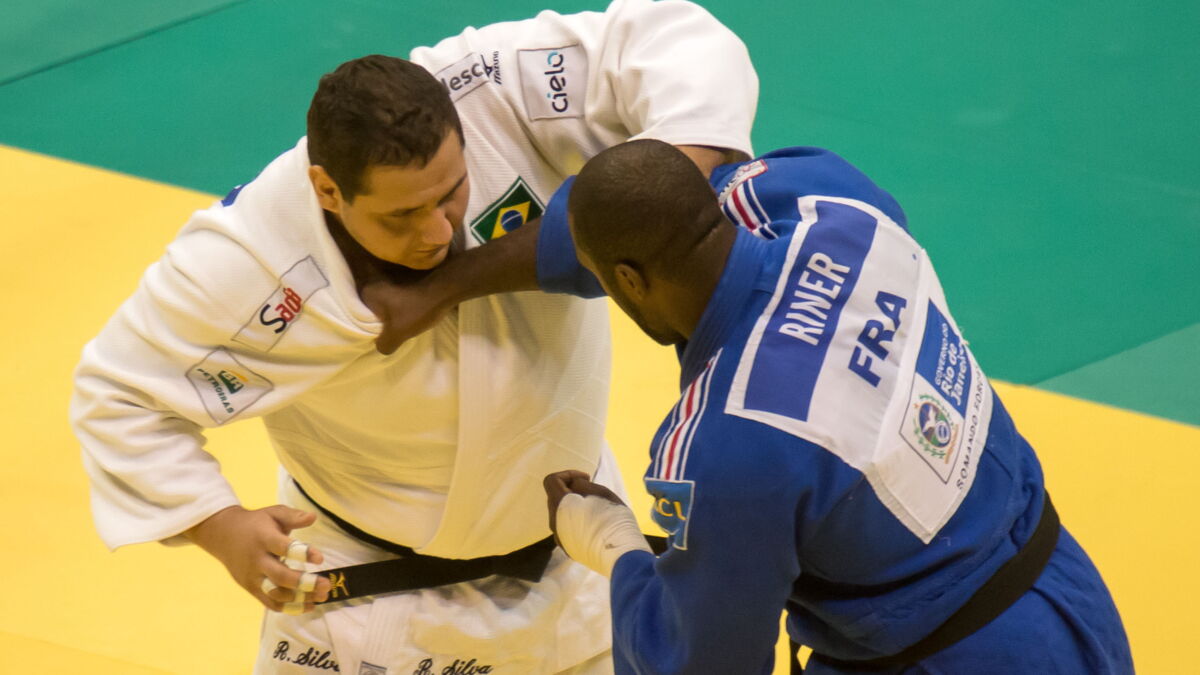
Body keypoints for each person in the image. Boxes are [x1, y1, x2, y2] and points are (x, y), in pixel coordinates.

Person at [69, 1, 757, 672]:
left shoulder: (494, 91)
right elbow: (117, 392)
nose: (437, 231)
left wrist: (661, 198)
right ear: (328, 190)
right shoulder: (247, 258)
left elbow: (679, 37)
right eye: (402, 214)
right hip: (362, 592)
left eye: (452, 192)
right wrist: (217, 525)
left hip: (575, 553)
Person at [541, 140, 1134, 673]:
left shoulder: (729, 442)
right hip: (1065, 588)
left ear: (629, 280)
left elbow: (704, 664)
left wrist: (615, 543)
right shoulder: (827, 192)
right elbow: (709, 180)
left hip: (952, 658)